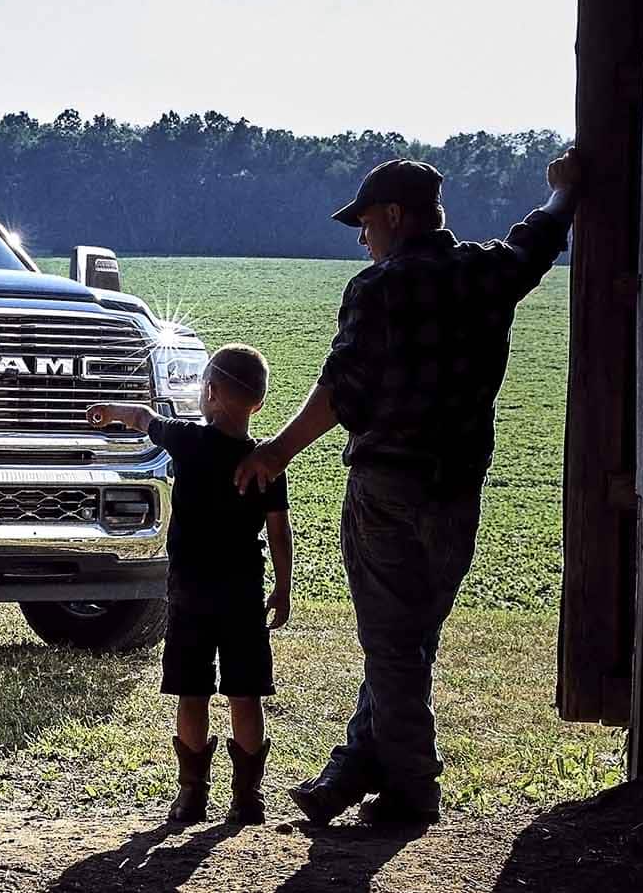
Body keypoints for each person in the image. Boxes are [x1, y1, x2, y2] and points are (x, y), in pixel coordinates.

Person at [233, 150, 583, 826]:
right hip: (459, 489)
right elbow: (537, 241)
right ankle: (351, 769)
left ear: (394, 216)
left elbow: (342, 389)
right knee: (411, 639)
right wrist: (564, 194)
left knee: (393, 647)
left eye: (365, 224)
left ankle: (412, 789)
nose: (362, 239)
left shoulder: (379, 288)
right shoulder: (486, 273)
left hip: (388, 487)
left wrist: (277, 450)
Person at [88, 344, 293, 824]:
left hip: (190, 592)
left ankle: (190, 795)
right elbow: (280, 530)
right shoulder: (266, 463)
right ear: (257, 404)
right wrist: (283, 588)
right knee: (245, 693)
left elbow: (142, 417)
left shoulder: (187, 440)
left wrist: (109, 411)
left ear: (211, 393)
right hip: (243, 592)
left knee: (191, 689)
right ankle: (247, 799)